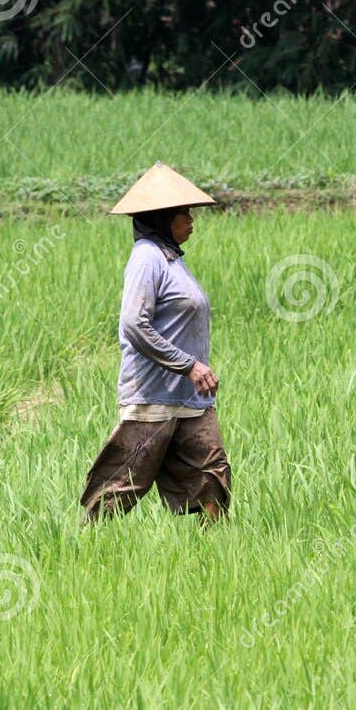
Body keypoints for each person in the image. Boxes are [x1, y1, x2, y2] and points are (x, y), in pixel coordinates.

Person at [80, 162, 232, 523]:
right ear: (164, 217)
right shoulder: (147, 258)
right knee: (122, 483)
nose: (192, 220)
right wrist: (189, 365)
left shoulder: (171, 260)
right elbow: (134, 324)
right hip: (153, 398)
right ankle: (86, 547)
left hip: (190, 400)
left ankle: (216, 556)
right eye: (185, 214)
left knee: (213, 477)